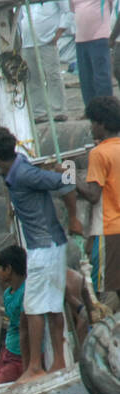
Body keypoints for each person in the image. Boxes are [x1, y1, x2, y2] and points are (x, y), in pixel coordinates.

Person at [0, 127, 83, 380]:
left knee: (34, 309)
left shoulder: (24, 174)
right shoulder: (18, 163)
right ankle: (58, 361)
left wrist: (73, 218)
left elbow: (66, 183)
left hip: (42, 246)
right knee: (51, 306)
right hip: (50, 244)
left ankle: (35, 367)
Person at [73, 95, 120, 310]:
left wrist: (69, 176)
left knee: (104, 294)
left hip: (108, 230)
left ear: (101, 123)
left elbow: (92, 194)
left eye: (92, 122)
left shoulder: (99, 154)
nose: (91, 127)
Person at [18, 0, 69, 123]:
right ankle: (39, 112)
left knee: (53, 75)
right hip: (27, 42)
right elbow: (19, 16)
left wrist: (58, 34)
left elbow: (67, 12)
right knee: (32, 78)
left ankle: (58, 111)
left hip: (48, 41)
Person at [0, 244, 27, 384]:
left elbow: (25, 330)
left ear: (9, 269)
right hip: (8, 350)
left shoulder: (25, 294)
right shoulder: (8, 293)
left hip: (19, 356)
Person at [73, 0, 116, 110]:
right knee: (86, 79)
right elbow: (73, 9)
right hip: (80, 39)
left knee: (101, 77)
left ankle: (106, 110)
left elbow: (112, 6)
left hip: (99, 36)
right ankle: (91, 110)